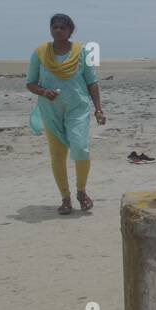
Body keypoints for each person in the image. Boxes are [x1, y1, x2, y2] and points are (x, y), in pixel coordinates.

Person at [25, 14, 105, 214]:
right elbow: (30, 82)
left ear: (71, 30)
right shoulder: (40, 53)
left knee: (80, 149)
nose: (58, 30)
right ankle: (65, 198)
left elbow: (91, 82)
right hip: (50, 110)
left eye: (62, 27)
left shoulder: (81, 52)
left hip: (77, 108)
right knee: (58, 155)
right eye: (55, 27)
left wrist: (98, 109)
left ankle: (81, 191)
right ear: (50, 29)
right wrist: (44, 92)